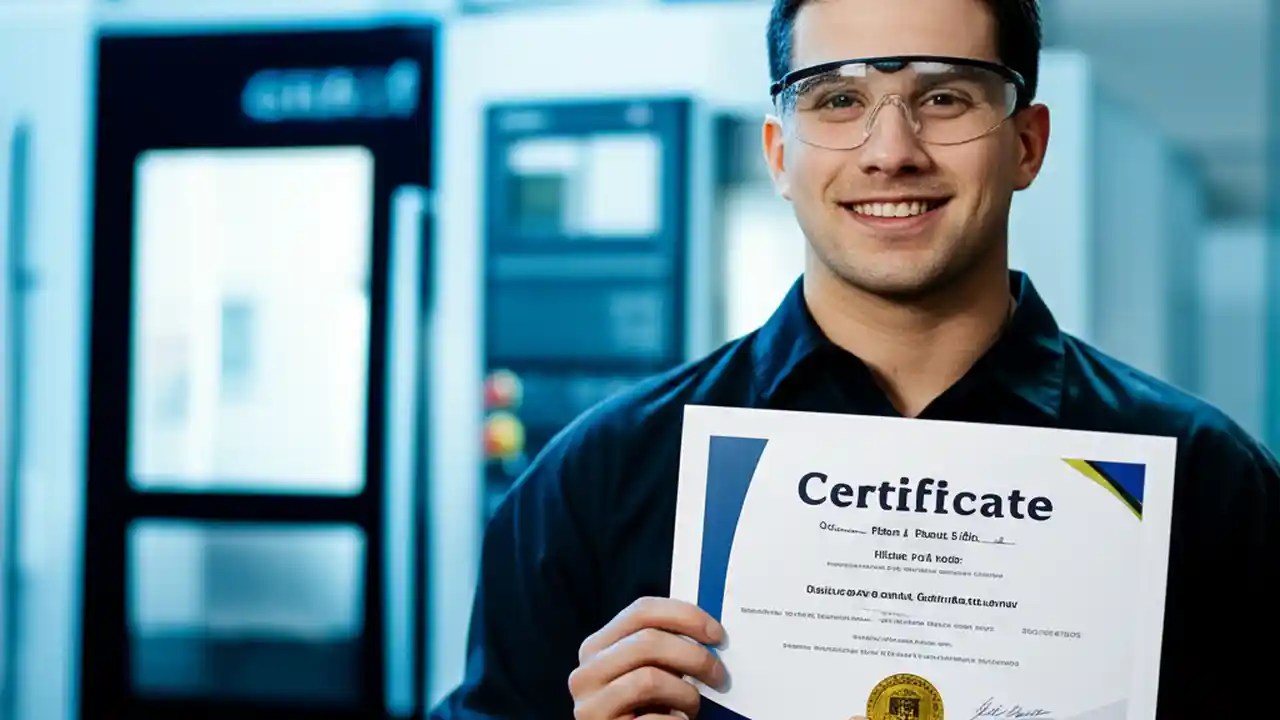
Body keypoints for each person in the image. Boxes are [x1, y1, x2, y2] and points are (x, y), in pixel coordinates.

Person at [431, 0, 1279, 717]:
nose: (890, 149)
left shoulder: (1207, 479)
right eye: (837, 100)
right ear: (778, 153)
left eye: (943, 97)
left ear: (1027, 144)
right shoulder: (599, 475)